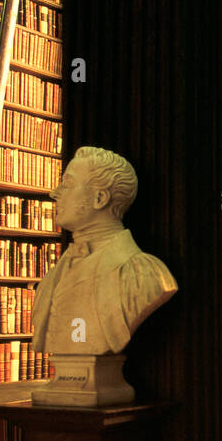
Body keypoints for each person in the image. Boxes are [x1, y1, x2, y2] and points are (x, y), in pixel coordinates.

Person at [32, 147, 177, 356]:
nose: (54, 193)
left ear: (100, 198)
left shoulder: (145, 276)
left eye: (68, 184)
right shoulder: (52, 277)